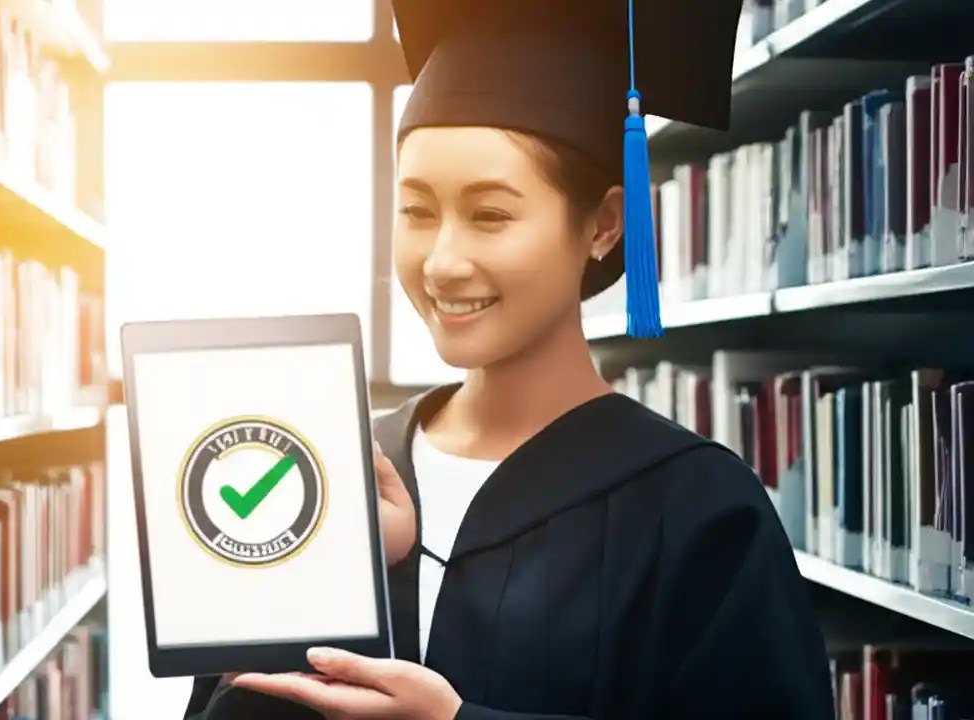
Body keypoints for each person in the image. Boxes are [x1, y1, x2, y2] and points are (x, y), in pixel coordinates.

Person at [184, 0, 835, 717]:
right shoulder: (342, 470)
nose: (442, 261)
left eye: (490, 214)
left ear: (604, 224)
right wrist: (317, 586)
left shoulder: (700, 511)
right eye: (417, 211)